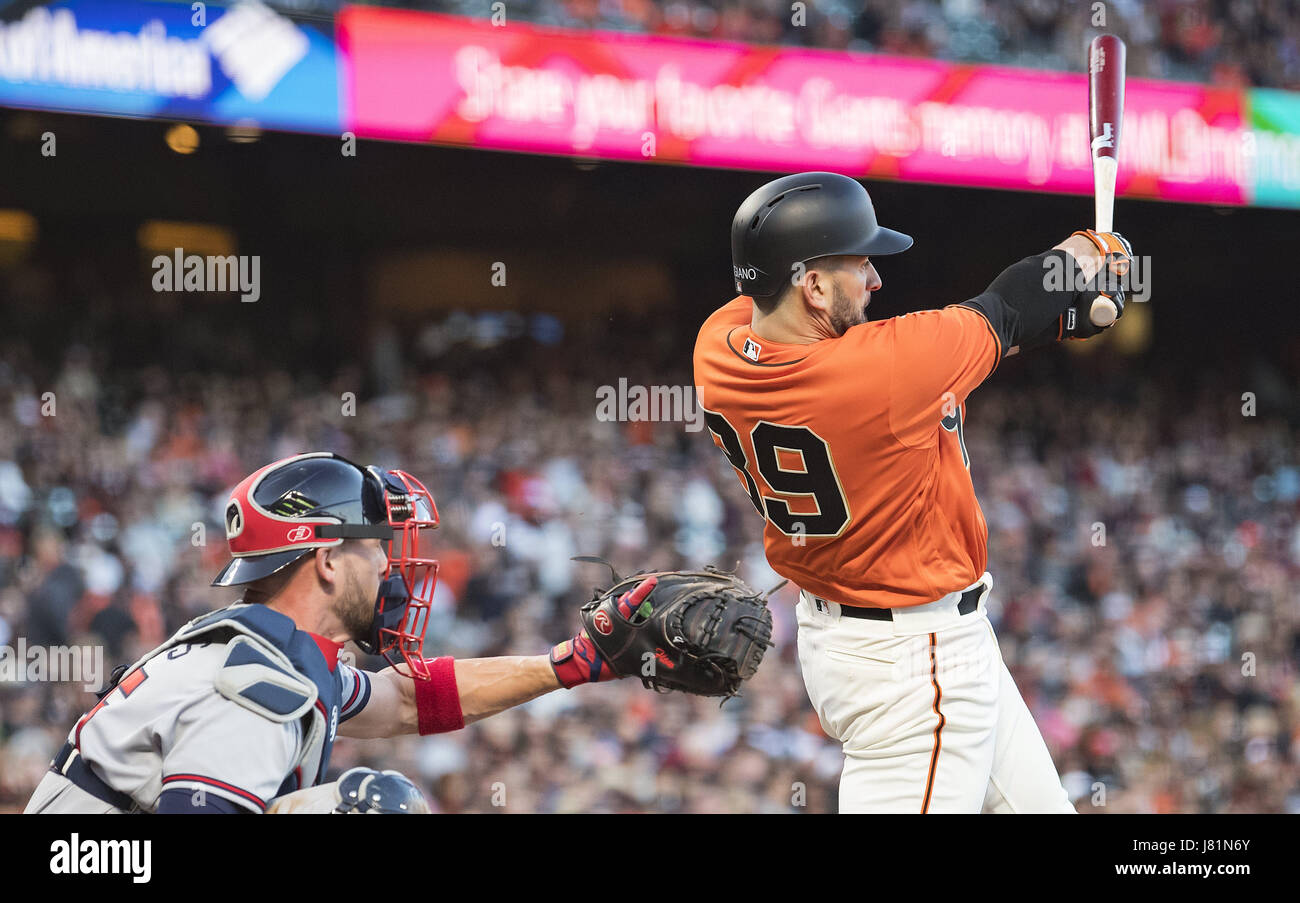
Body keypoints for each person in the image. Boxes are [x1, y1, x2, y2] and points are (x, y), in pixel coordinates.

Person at [693, 171, 1132, 813]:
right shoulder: (885, 371)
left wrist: (1056, 312)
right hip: (913, 664)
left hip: (866, 639)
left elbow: (1002, 322)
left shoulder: (718, 347)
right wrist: (1085, 256)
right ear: (811, 284)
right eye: (860, 263)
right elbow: (1009, 308)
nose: (876, 279)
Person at [25, 452, 649, 813]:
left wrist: (573, 664)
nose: (389, 566)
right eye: (377, 547)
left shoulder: (270, 654)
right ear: (326, 560)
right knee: (374, 806)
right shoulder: (254, 686)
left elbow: (404, 698)